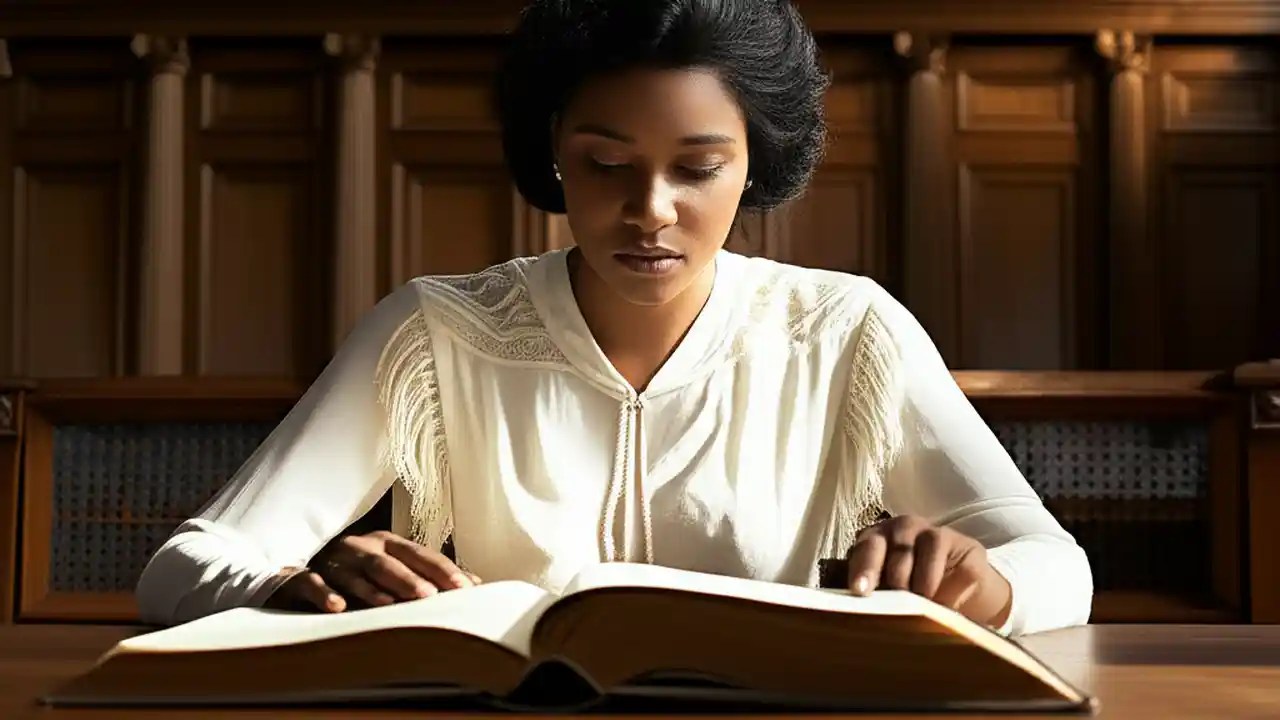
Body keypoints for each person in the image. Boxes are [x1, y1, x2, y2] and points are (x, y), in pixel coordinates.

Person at [135, 0, 1092, 637]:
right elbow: (185, 564)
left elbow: (1058, 565)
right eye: (606, 164)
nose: (652, 210)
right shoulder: (435, 331)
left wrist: (985, 585)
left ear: (754, 164)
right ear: (554, 153)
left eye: (698, 167)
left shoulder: (844, 330)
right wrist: (292, 589)